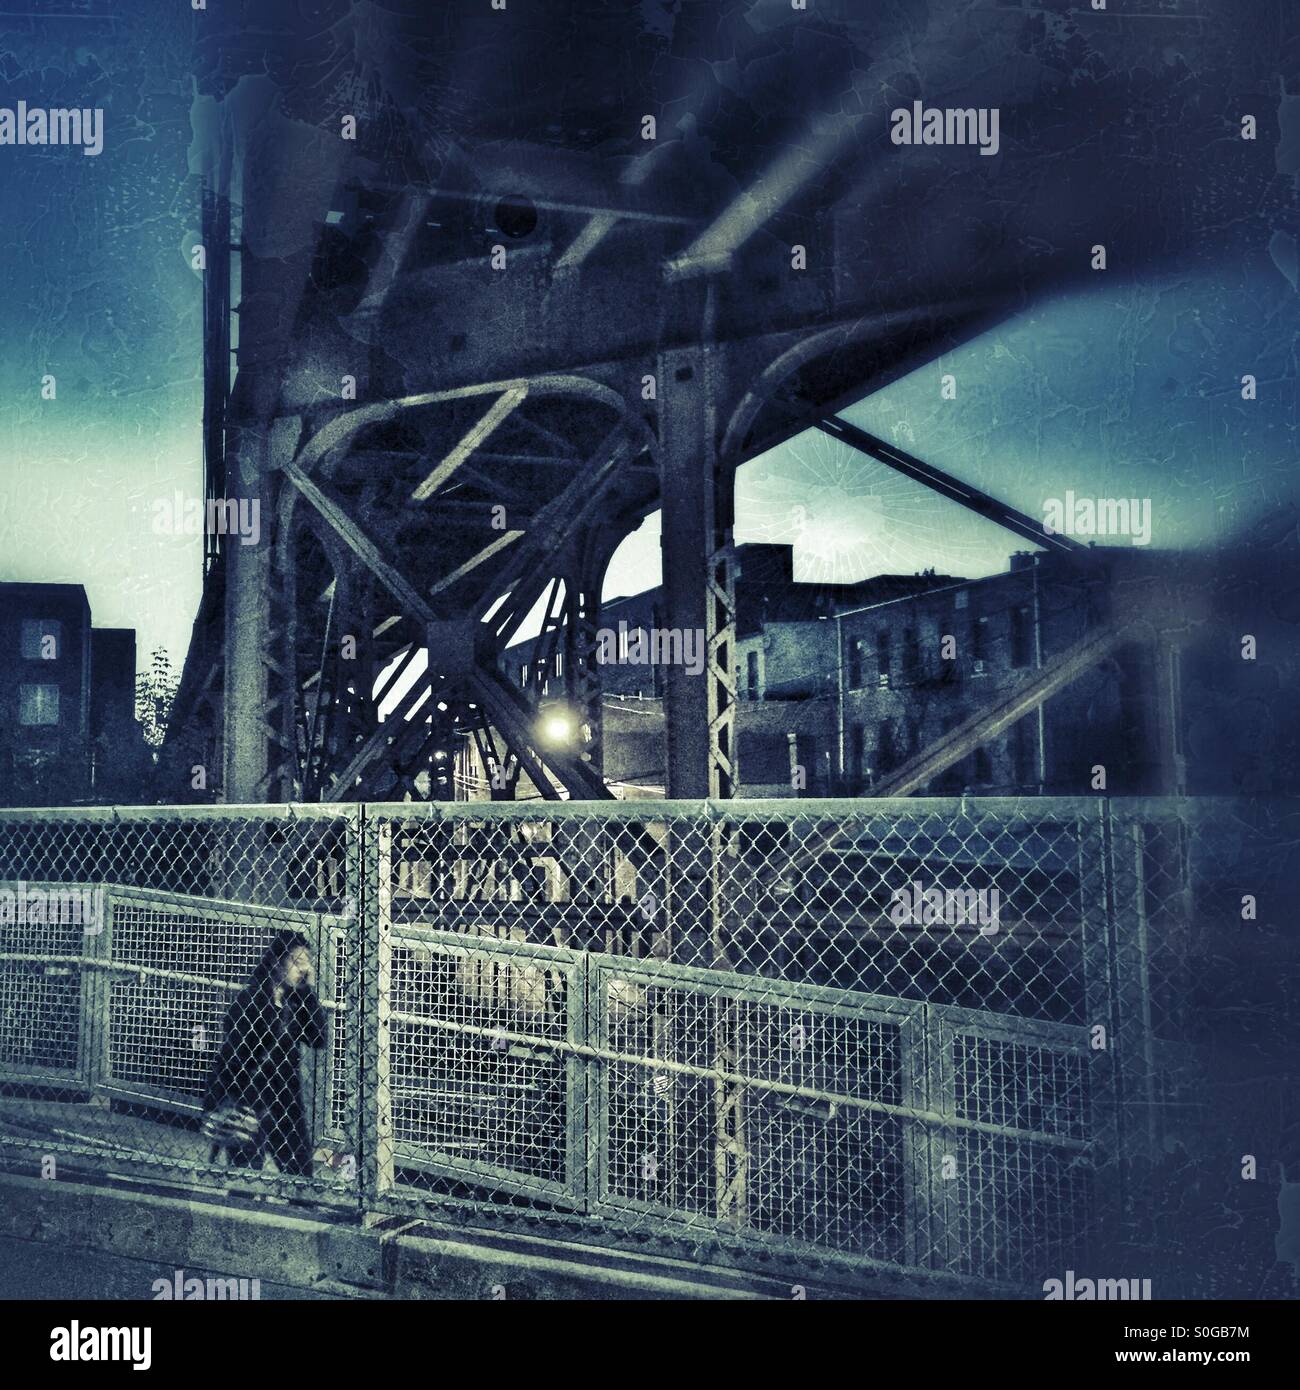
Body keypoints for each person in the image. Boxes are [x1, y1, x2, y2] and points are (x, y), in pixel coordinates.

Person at [202, 930, 328, 1177]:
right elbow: (232, 1057)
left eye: (307, 963)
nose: (303, 969)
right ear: (276, 963)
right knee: (247, 1177)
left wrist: (308, 992)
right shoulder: (250, 1001)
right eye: (297, 962)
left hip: (285, 1100)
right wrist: (224, 1102)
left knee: (300, 1175)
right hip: (249, 1099)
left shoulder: (295, 1003)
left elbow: (318, 1038)